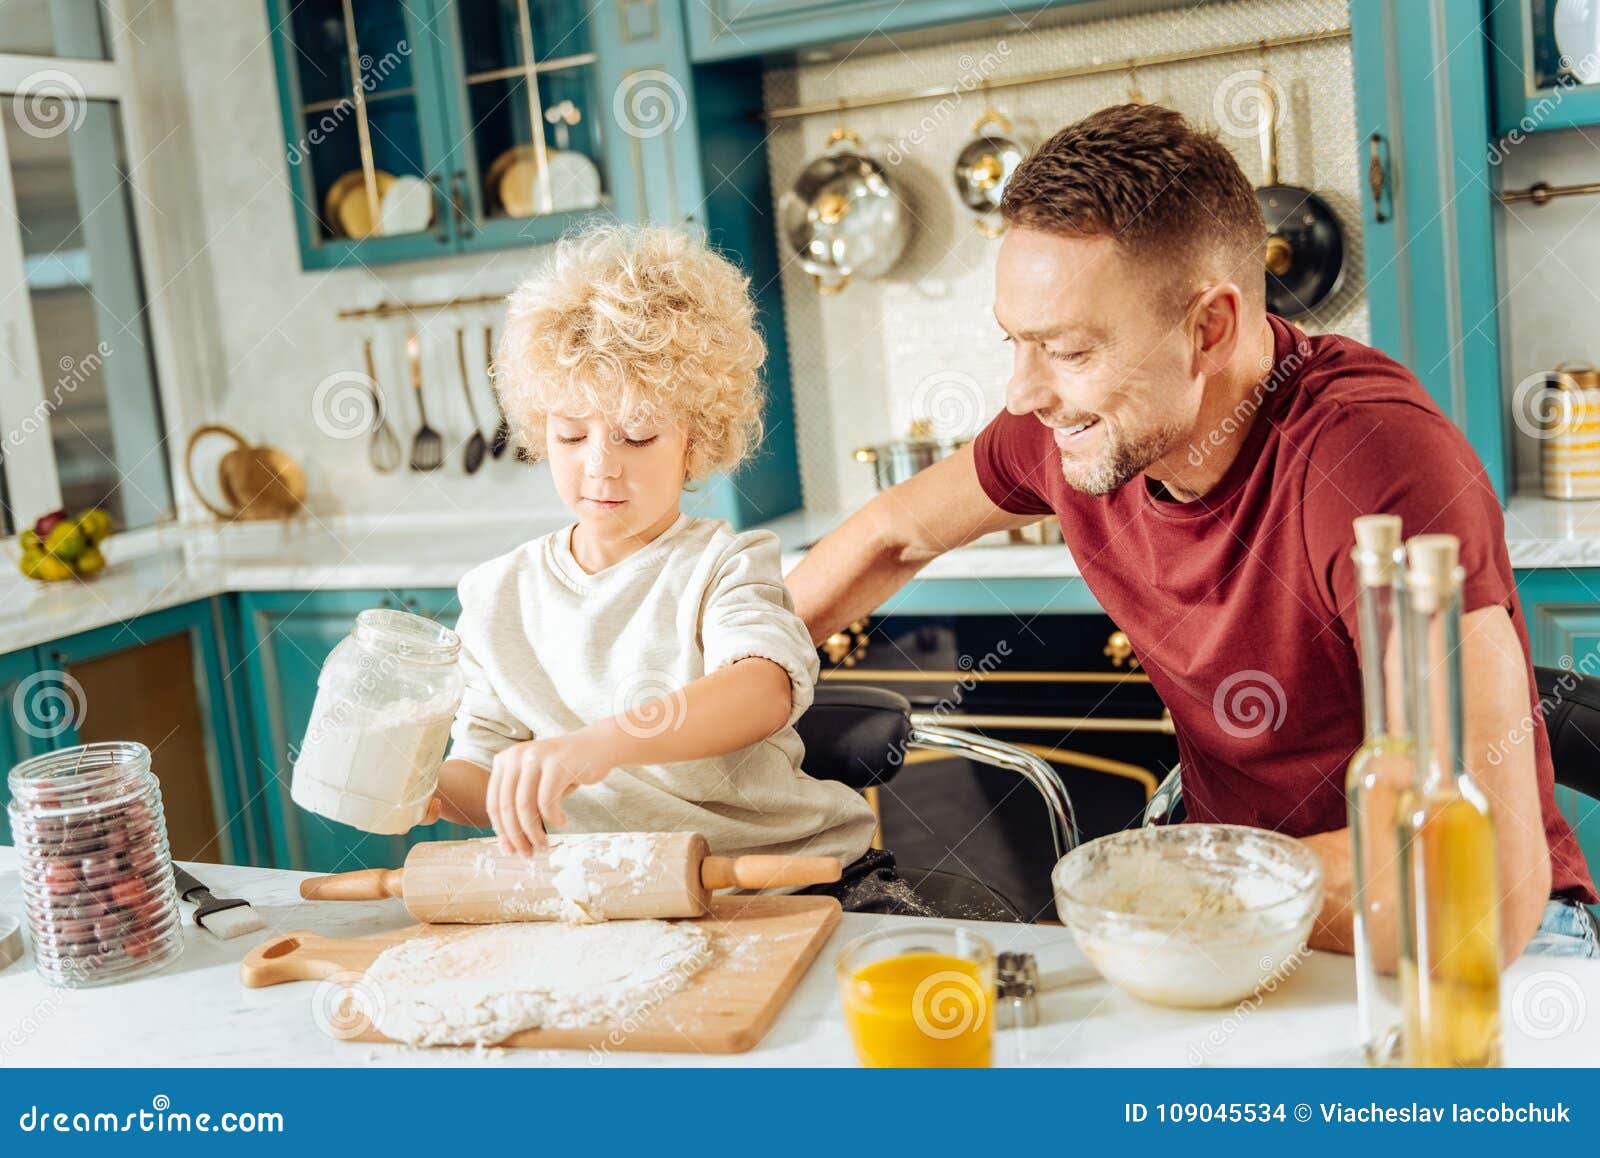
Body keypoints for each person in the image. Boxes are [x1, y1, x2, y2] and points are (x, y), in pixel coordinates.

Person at [785, 103, 1598, 955]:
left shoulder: (1369, 463)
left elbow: (1485, 884)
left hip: (1465, 927)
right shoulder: (1078, 428)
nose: (1024, 393)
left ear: (1209, 328)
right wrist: (716, 685)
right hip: (1240, 890)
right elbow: (895, 532)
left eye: (1066, 350)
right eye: (1015, 344)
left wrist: (1174, 884)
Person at [422, 224, 927, 915]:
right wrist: (425, 790)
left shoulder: (725, 564)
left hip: (795, 881)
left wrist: (600, 745)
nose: (599, 463)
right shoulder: (497, 595)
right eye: (571, 434)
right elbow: (486, 772)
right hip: (624, 899)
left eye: (636, 435)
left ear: (696, 441)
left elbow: (762, 690)